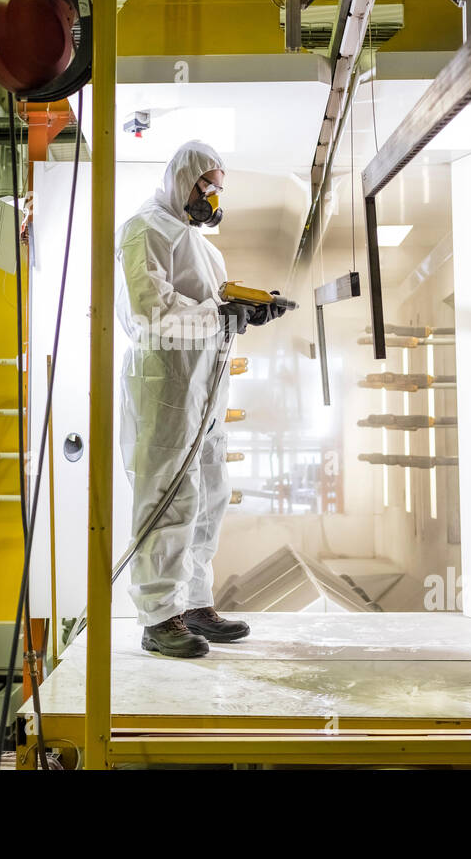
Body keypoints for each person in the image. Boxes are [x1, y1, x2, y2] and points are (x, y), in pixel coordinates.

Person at [114, 140, 287, 658]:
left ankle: (193, 604)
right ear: (180, 177)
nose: (210, 195)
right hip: (165, 383)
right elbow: (150, 313)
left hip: (206, 388)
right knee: (167, 495)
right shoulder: (145, 229)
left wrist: (246, 313)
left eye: (216, 188)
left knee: (210, 495)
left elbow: (212, 312)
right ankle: (157, 615)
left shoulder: (206, 248)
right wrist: (221, 313)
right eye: (203, 184)